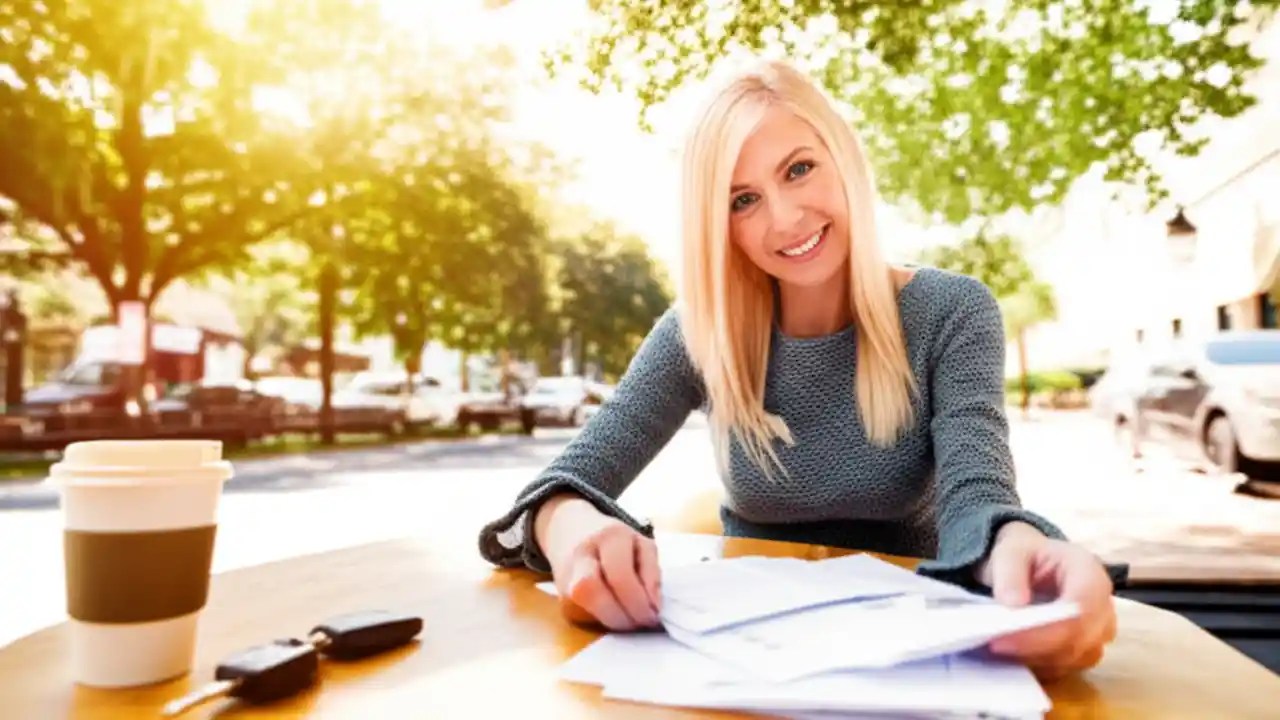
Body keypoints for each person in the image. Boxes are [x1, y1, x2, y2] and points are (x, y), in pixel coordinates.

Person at [478, 59, 1119, 680]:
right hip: (738, 654)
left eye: (799, 169)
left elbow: (977, 499)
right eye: (744, 199)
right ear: (718, 225)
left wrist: (1016, 549)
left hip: (917, 647)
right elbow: (564, 483)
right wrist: (570, 525)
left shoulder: (952, 311)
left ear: (844, 160)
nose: (784, 219)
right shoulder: (701, 329)